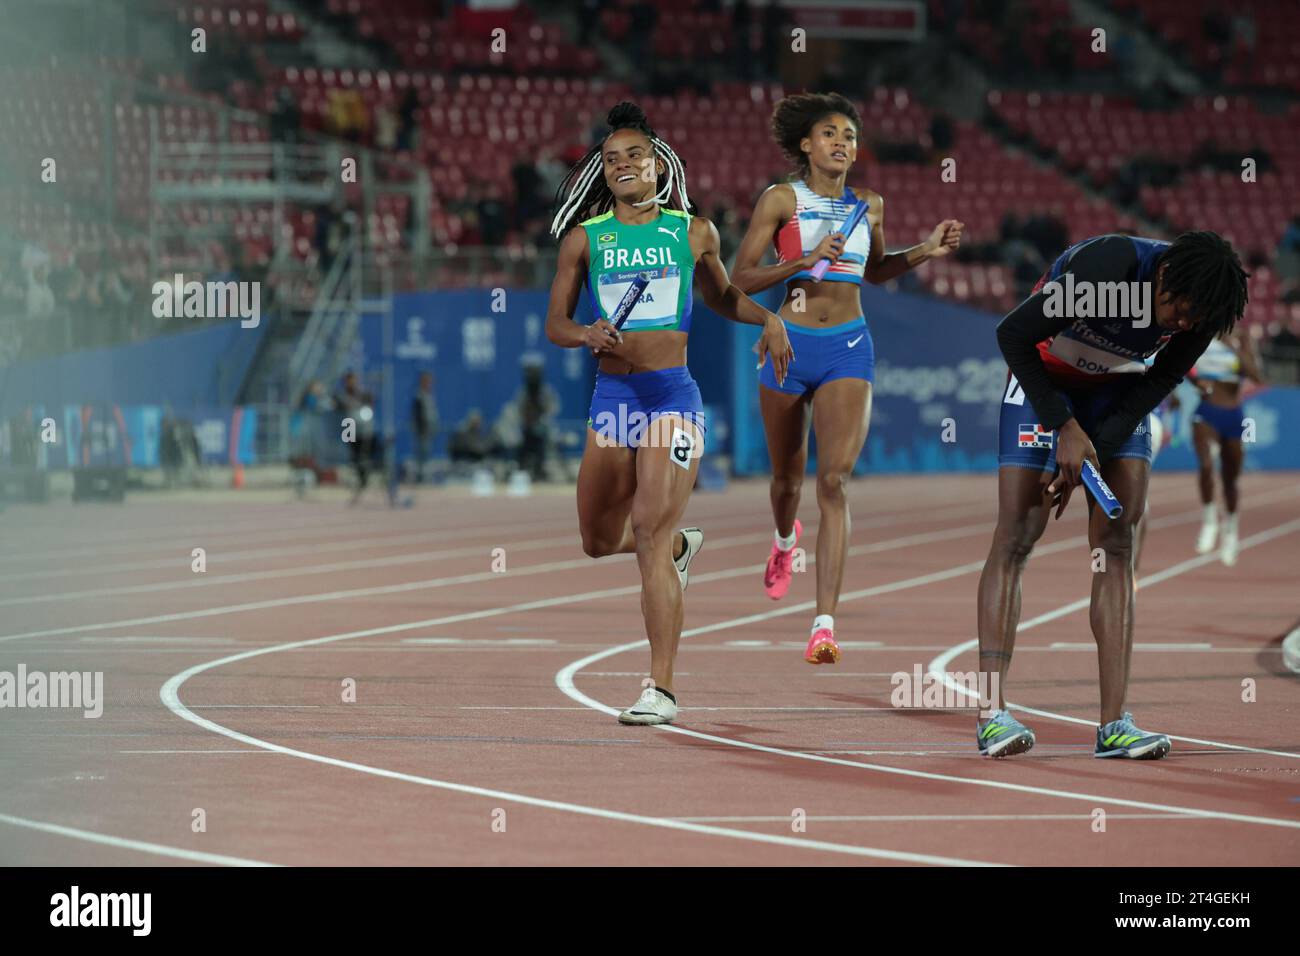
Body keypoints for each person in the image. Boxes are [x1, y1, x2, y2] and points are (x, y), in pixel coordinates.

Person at [546, 101, 793, 725]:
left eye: (635, 155)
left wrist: (768, 318)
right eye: (612, 159)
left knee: (648, 533)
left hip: (672, 398)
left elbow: (723, 297)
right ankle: (680, 546)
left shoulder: (693, 232)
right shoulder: (586, 240)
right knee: (597, 541)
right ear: (603, 173)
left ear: (658, 165)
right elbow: (555, 324)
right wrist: (585, 334)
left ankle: (660, 688)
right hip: (613, 400)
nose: (623, 164)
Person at [977, 231, 1248, 759]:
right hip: (1044, 381)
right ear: (1164, 277)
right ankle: (992, 714)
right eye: (1180, 311)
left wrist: (1093, 447)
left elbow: (1161, 380)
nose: (1183, 325)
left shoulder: (1203, 311)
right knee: (1016, 536)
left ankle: (1114, 725)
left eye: (1194, 321)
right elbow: (1012, 335)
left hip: (1119, 393)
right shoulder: (1108, 271)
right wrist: (1064, 427)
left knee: (1117, 545)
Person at [730, 92, 962, 665]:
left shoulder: (870, 205)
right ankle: (784, 541)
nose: (841, 143)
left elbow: (875, 271)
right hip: (789, 344)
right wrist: (801, 262)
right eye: (830, 133)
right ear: (806, 145)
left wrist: (926, 250)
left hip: (848, 348)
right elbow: (739, 278)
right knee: (786, 481)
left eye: (850, 136)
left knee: (833, 482)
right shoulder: (781, 200)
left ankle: (823, 625)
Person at [1189, 329, 1262, 565]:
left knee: (1230, 480)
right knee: (1206, 464)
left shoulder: (1242, 338)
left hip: (1233, 415)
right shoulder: (1200, 334)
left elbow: (1256, 376)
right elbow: (1184, 365)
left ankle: (1230, 530)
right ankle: (1209, 520)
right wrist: (1196, 381)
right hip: (1206, 411)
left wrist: (1234, 348)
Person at [335, 371, 378, 505]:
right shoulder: (342, 395)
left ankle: (364, 479)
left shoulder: (363, 393)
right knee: (355, 456)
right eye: (349, 381)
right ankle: (359, 479)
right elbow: (340, 405)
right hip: (350, 428)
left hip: (365, 429)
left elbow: (371, 402)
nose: (351, 383)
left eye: (353, 380)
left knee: (365, 455)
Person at [411, 372, 439, 483]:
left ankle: (425, 476)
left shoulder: (430, 395)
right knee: (421, 453)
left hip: (429, 429)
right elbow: (417, 415)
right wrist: (420, 428)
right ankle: (420, 477)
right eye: (427, 382)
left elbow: (432, 414)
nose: (430, 384)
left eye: (430, 382)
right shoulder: (419, 396)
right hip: (422, 430)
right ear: (422, 382)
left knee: (426, 453)